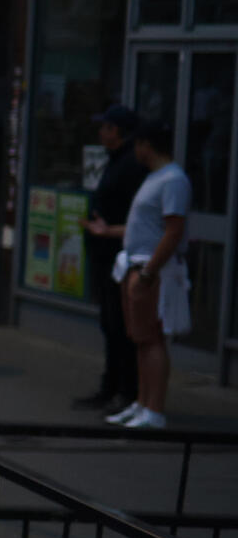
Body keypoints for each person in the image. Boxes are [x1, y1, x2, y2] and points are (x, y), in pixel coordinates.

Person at [93, 123, 190, 430]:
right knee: (140, 339)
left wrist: (149, 272)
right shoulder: (156, 178)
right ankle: (142, 403)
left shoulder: (173, 180)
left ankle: (154, 410)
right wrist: (110, 231)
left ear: (147, 145)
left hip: (150, 269)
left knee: (151, 339)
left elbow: (174, 230)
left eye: (137, 145)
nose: (134, 151)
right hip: (137, 265)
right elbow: (146, 227)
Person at [77, 105, 144, 412]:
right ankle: (111, 387)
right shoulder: (116, 161)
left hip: (119, 257)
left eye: (106, 127)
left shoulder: (130, 165)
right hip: (106, 256)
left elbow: (136, 219)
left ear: (118, 131)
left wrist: (105, 231)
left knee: (120, 327)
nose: (101, 132)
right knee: (110, 325)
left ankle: (126, 392)